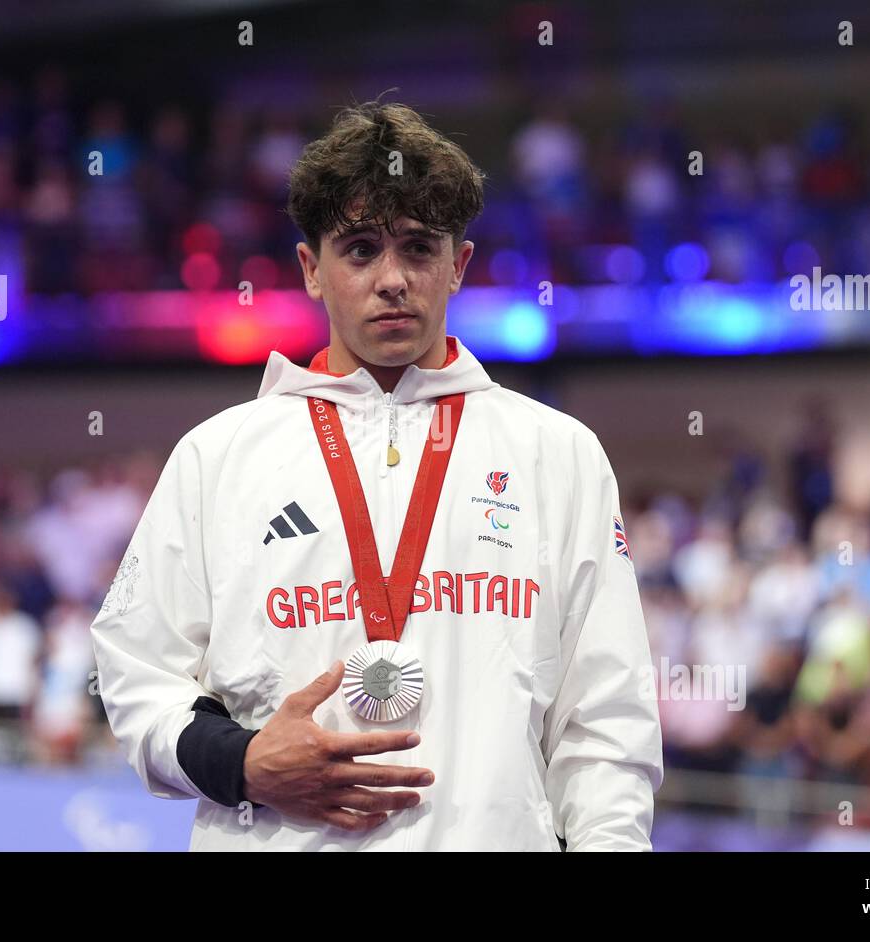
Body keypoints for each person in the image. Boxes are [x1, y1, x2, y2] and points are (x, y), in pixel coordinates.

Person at [90, 100, 663, 851]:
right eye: (359, 249)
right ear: (312, 271)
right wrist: (242, 760)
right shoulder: (217, 457)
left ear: (458, 265)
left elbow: (606, 720)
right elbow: (135, 675)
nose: (392, 279)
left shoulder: (558, 454)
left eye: (419, 248)